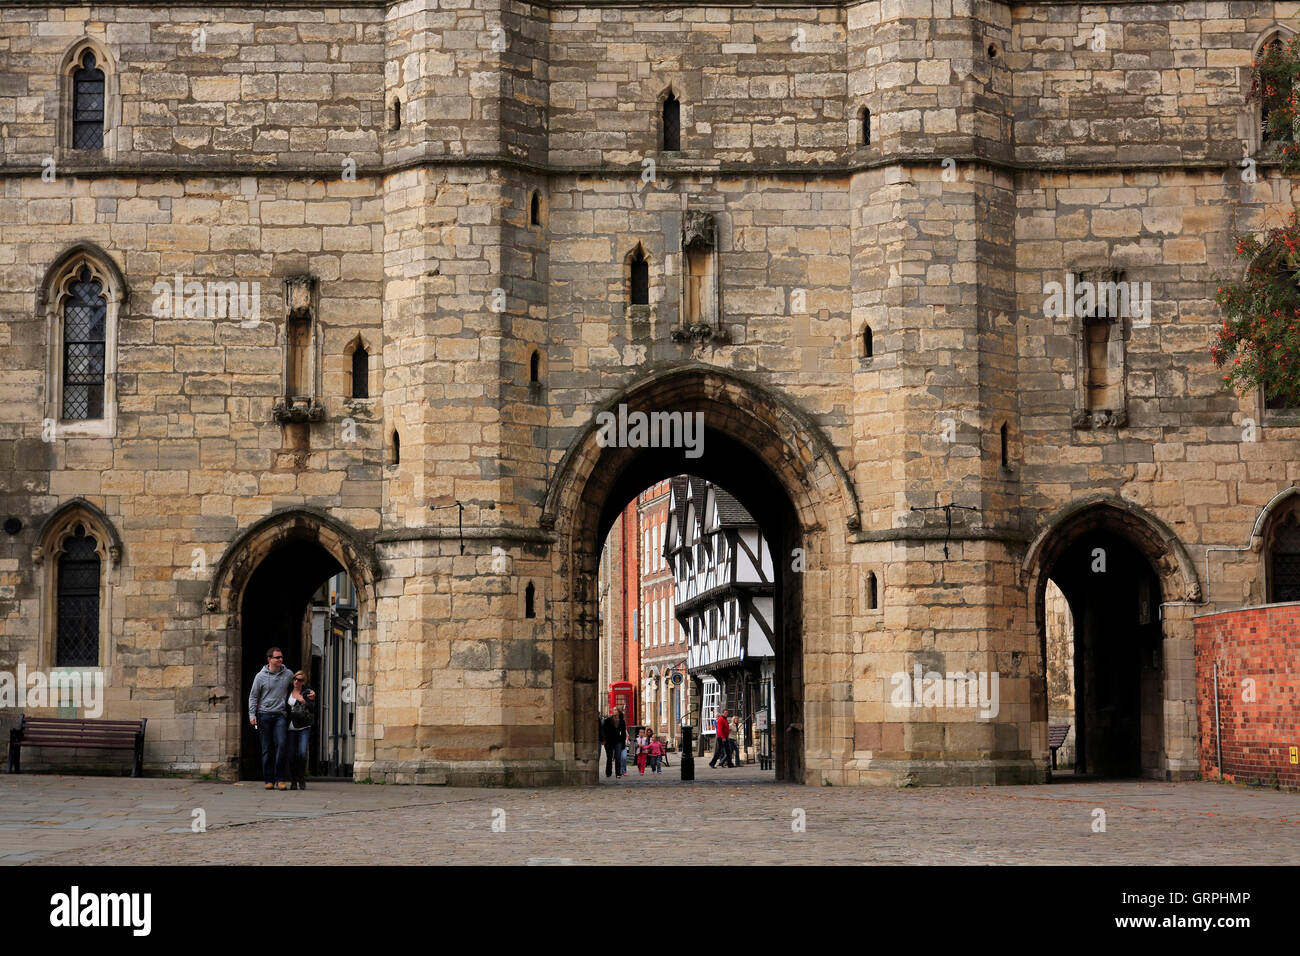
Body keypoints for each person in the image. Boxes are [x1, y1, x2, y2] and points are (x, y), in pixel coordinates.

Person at [247, 646, 312, 791]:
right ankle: (268, 780)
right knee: (267, 749)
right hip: (264, 715)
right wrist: (252, 715)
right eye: (277, 657)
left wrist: (309, 693)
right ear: (269, 659)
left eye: (281, 657)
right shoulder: (260, 676)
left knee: (282, 745)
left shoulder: (288, 674)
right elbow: (253, 696)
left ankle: (280, 779)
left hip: (280, 716)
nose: (280, 659)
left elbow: (298, 685)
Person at [286, 671, 316, 791]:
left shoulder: (307, 692)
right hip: (290, 727)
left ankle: (301, 778)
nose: (297, 682)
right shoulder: (287, 691)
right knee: (292, 755)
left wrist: (304, 701)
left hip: (303, 726)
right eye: (295, 679)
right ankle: (293, 780)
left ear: (304, 682)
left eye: (300, 680)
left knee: (302, 753)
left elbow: (313, 708)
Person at [601, 711, 623, 778]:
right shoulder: (607, 720)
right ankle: (608, 772)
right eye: (614, 710)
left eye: (616, 710)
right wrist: (603, 739)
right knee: (609, 757)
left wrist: (623, 743)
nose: (615, 712)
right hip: (609, 741)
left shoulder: (621, 721)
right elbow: (603, 729)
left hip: (618, 741)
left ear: (619, 713)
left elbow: (623, 733)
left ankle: (618, 773)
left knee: (618, 757)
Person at [615, 710, 628, 776]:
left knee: (624, 758)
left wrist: (625, 740)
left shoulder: (622, 722)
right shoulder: (612, 721)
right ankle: (618, 771)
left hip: (622, 742)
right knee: (618, 758)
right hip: (615, 742)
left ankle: (624, 770)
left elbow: (624, 733)